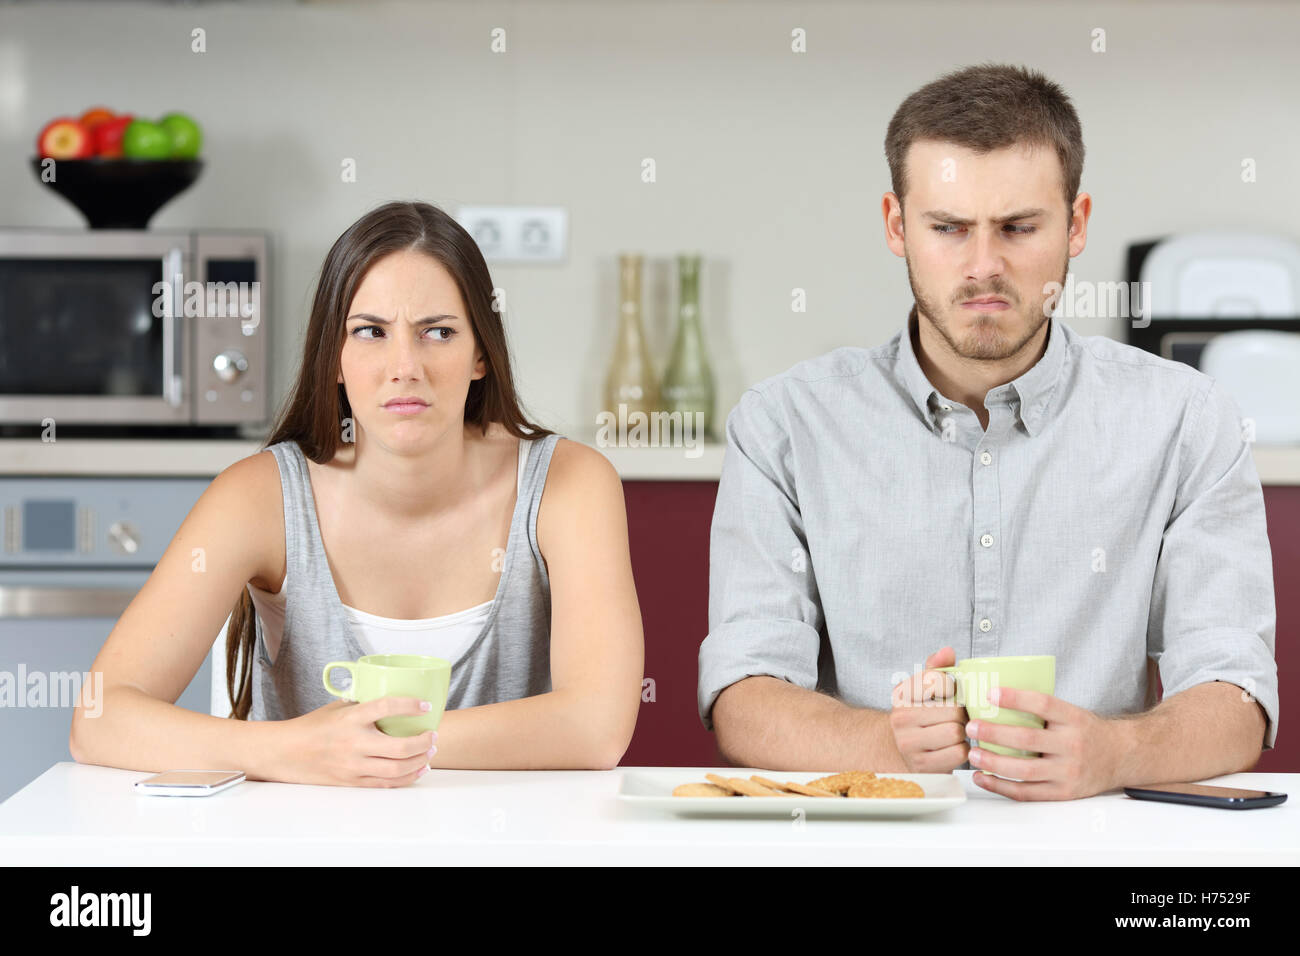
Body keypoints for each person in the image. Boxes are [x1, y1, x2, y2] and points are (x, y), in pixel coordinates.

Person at [698, 63, 1277, 801]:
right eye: (948, 228)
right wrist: (883, 742)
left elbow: (1236, 696)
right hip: (873, 848)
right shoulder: (784, 425)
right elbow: (745, 694)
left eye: (1018, 227)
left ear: (1076, 225)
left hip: (1096, 847)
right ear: (896, 225)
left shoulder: (1187, 421)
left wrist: (1115, 751)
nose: (983, 267)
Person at [71, 200, 644, 786]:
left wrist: (383, 743)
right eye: (370, 332)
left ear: (480, 354)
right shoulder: (258, 496)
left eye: (438, 332)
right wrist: (294, 749)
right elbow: (99, 718)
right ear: (335, 359)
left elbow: (596, 726)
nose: (405, 366)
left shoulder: (569, 485)